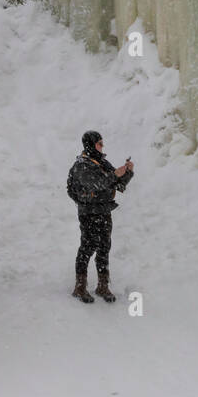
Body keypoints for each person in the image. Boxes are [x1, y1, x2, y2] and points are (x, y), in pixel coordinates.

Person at [65, 130, 134, 303]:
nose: (102, 146)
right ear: (90, 144)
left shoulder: (102, 162)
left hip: (104, 210)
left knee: (104, 247)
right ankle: (80, 287)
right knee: (87, 247)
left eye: (102, 143)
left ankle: (103, 286)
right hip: (88, 213)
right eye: (99, 143)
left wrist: (127, 173)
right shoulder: (82, 165)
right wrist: (115, 174)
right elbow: (97, 184)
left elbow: (117, 185)